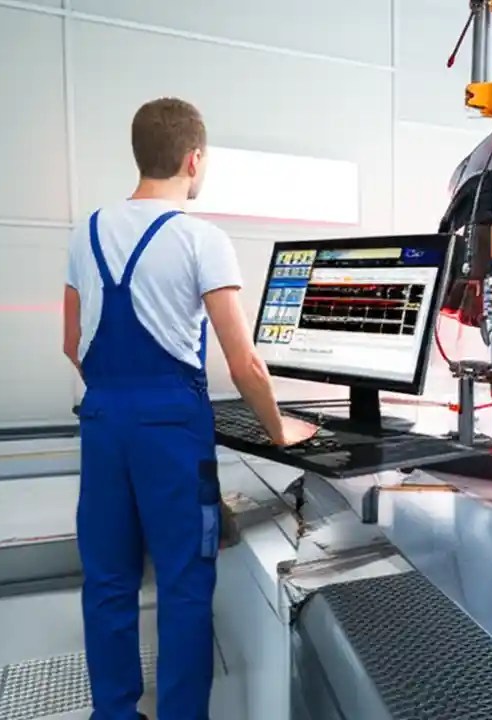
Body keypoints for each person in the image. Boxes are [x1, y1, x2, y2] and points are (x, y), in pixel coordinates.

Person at [62, 97, 317, 719]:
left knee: (109, 583)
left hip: (102, 423)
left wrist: (118, 399)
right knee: (183, 587)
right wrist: (280, 429)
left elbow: (71, 345)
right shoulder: (201, 238)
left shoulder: (87, 230)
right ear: (192, 158)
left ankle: (115, 714)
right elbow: (244, 363)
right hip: (170, 431)